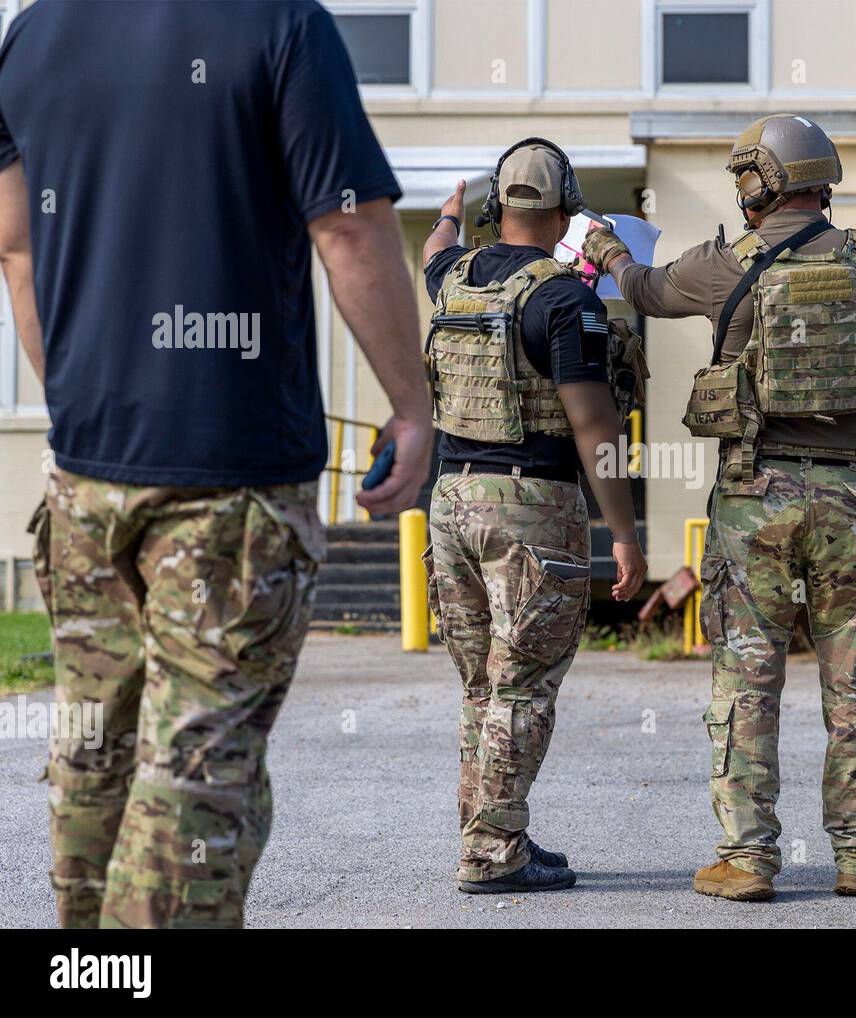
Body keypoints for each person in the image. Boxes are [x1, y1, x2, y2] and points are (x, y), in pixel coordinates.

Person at [0, 0, 432, 928]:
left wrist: (78, 400)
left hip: (84, 473)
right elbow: (349, 231)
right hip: (230, 476)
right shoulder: (281, 26)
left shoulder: (34, 36)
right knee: (196, 768)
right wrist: (412, 405)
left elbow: (16, 244)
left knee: (93, 739)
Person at [583, 114, 856, 901]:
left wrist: (606, 245)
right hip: (849, 497)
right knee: (855, 679)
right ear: (825, 178)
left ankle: (747, 861)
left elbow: (639, 288)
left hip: (755, 496)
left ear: (757, 182)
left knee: (747, 679)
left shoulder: (724, 264)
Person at [421, 140, 648, 894]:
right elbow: (595, 426)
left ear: (497, 205)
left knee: (482, 686)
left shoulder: (450, 278)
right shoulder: (564, 299)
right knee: (521, 686)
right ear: (568, 210)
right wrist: (622, 533)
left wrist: (449, 214)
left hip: (449, 503)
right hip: (531, 507)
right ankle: (492, 853)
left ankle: (493, 835)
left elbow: (434, 245)